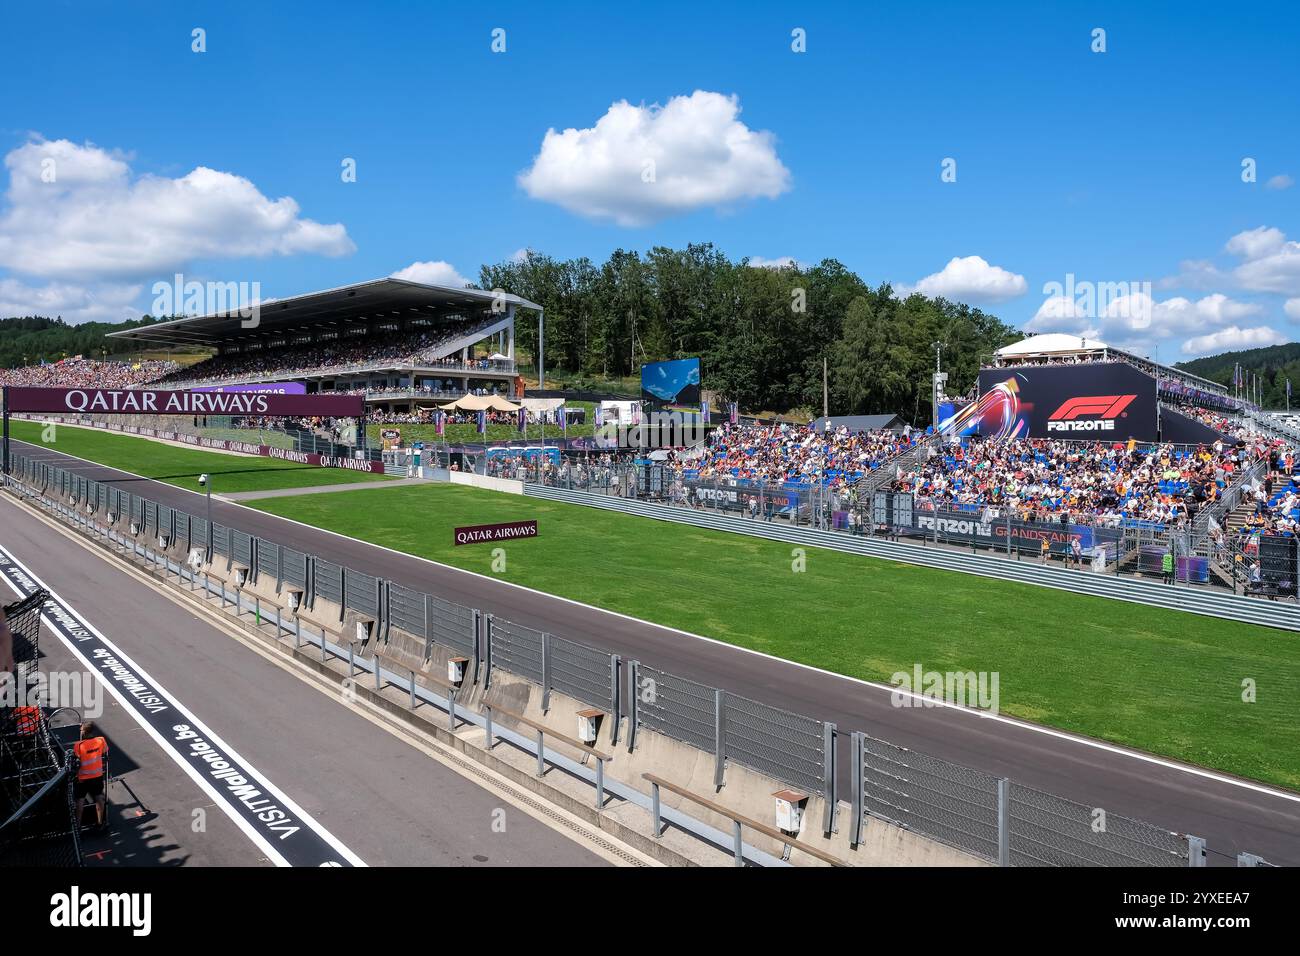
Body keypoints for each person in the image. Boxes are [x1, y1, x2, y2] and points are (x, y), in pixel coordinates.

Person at [73, 721, 109, 829]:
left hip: (82, 778)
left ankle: (78, 826)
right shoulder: (101, 740)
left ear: (83, 731)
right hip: (97, 776)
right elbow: (105, 751)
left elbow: (77, 759)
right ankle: (100, 822)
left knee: (80, 800)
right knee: (99, 798)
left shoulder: (78, 745)